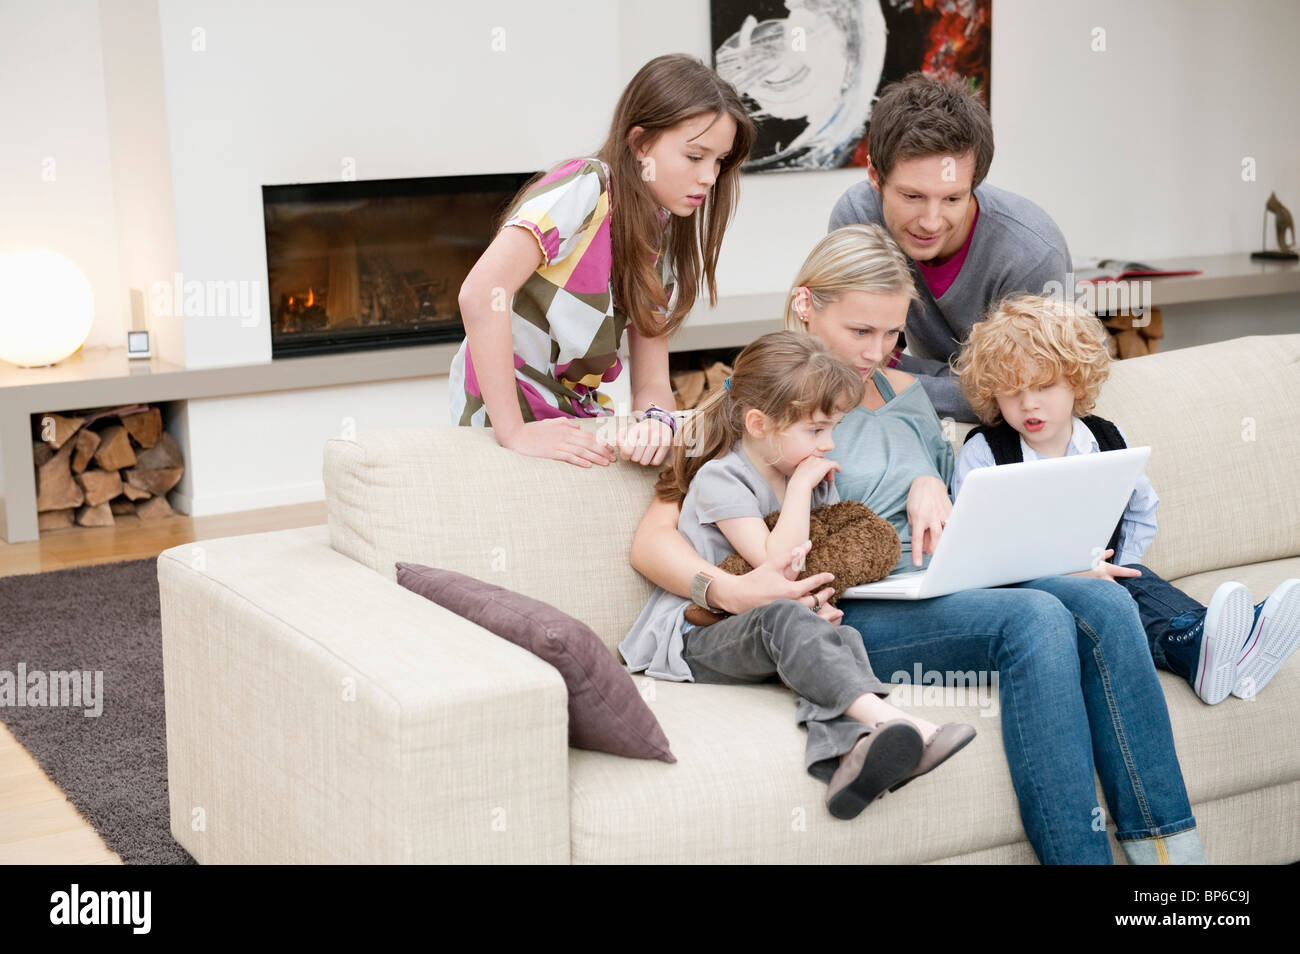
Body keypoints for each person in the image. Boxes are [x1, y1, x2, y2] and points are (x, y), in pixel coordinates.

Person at [630, 225, 1205, 864]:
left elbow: (962, 507)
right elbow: (652, 541)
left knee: (1104, 605)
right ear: (805, 306)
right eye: (860, 331)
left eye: (893, 333)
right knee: (1037, 619)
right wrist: (729, 590)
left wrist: (935, 481)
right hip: (848, 605)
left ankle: (1172, 860)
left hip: (938, 583)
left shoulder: (909, 398)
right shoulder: (759, 401)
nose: (878, 352)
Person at [621, 330, 975, 819]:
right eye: (815, 431)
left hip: (764, 622)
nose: (828, 444)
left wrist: (819, 598)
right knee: (785, 623)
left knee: (838, 634)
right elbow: (776, 561)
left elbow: (806, 567)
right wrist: (803, 487)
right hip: (696, 633)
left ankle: (849, 761)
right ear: (759, 423)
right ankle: (902, 723)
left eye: (832, 428)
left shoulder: (801, 476)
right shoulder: (723, 477)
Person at [951, 293, 1300, 705]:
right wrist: (1072, 577)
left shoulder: (1105, 440)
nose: (1029, 403)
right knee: (1111, 593)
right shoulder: (984, 453)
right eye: (1012, 392)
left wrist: (1121, 563)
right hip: (1028, 593)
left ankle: (1217, 649)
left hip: (1101, 576)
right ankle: (1214, 643)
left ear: (1076, 381)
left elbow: (1142, 507)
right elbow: (975, 547)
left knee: (1133, 581)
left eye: (1044, 386)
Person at [450, 53, 755, 469]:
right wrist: (514, 433)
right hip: (505, 416)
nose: (709, 177)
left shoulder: (659, 236)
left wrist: (657, 420)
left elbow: (651, 381)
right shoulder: (585, 186)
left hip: (578, 417)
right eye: (695, 156)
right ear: (640, 143)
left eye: (719, 161)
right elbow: (482, 293)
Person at [827, 72, 1071, 423]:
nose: (930, 221)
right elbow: (849, 356)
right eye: (912, 196)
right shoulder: (858, 217)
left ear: (975, 184)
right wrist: (939, 381)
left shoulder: (1031, 255)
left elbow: (1024, 400)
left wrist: (894, 380)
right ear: (875, 177)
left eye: (953, 198)